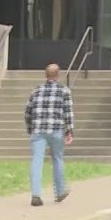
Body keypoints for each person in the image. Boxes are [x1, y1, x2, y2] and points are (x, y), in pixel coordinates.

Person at [23, 63, 74, 207]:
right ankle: (59, 191)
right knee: (57, 158)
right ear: (58, 75)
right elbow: (68, 112)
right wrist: (69, 131)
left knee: (36, 160)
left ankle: (36, 194)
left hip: (38, 130)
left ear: (46, 75)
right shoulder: (64, 91)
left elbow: (28, 111)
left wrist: (29, 128)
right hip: (56, 130)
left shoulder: (36, 91)